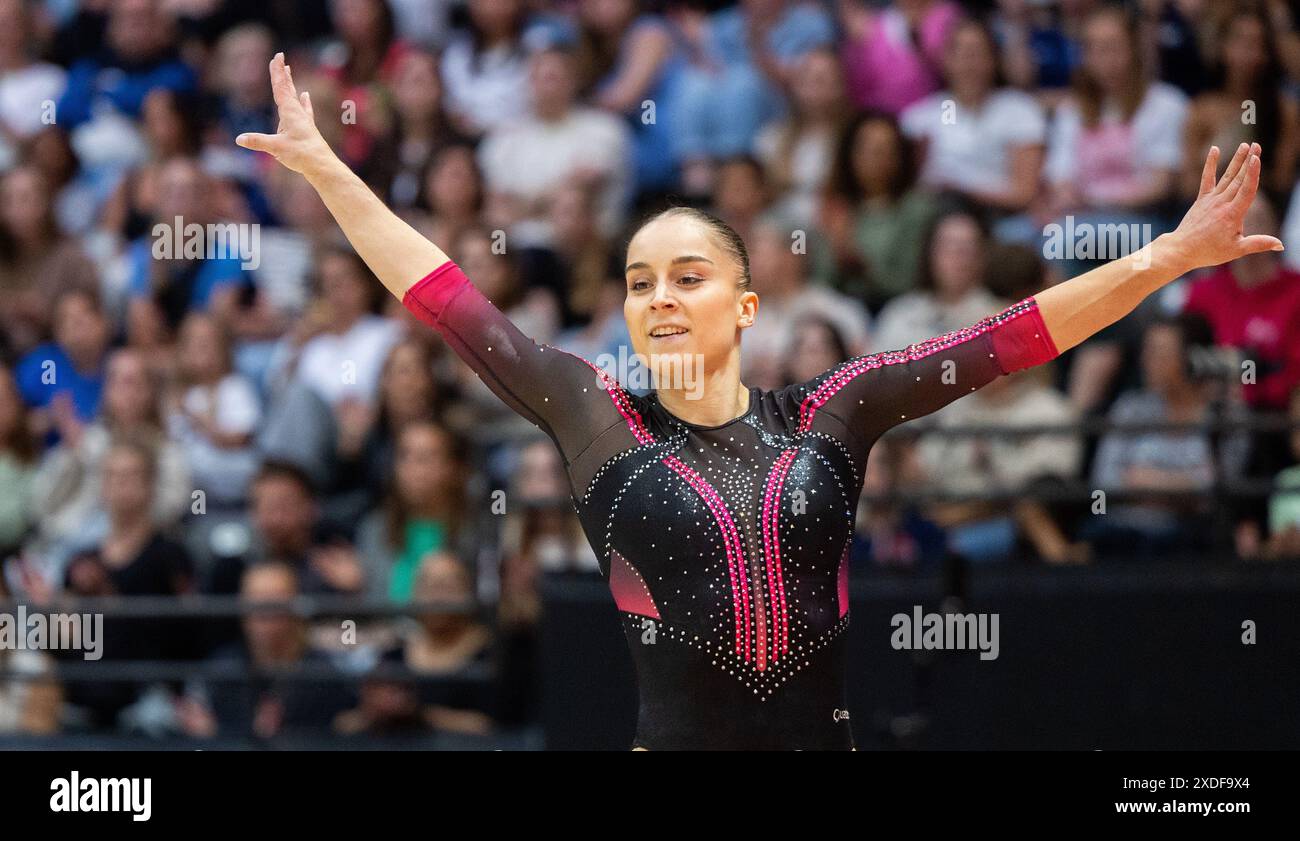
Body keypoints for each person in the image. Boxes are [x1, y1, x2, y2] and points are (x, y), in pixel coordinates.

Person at [237, 51, 1281, 749]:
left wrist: (1167, 257)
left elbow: (1007, 339)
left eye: (687, 275)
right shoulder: (591, 409)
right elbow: (447, 295)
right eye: (639, 281)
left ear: (744, 305)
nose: (659, 297)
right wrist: (329, 172)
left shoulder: (833, 409)